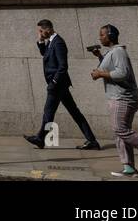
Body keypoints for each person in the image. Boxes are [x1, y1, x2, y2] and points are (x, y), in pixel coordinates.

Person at [90, 24, 138, 178]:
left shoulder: (118, 51)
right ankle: (129, 167)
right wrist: (100, 57)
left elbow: (122, 73)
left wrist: (100, 74)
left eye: (102, 35)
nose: (99, 38)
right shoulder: (111, 52)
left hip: (124, 97)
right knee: (119, 131)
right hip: (117, 97)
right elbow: (112, 68)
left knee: (120, 129)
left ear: (111, 36)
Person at [24, 20, 100, 150]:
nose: (40, 33)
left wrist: (54, 82)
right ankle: (92, 141)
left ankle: (40, 138)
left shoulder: (58, 42)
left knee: (48, 112)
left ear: (48, 29)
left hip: (57, 84)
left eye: (41, 31)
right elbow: (45, 54)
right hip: (60, 85)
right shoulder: (51, 42)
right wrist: (41, 41)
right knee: (74, 112)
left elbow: (63, 66)